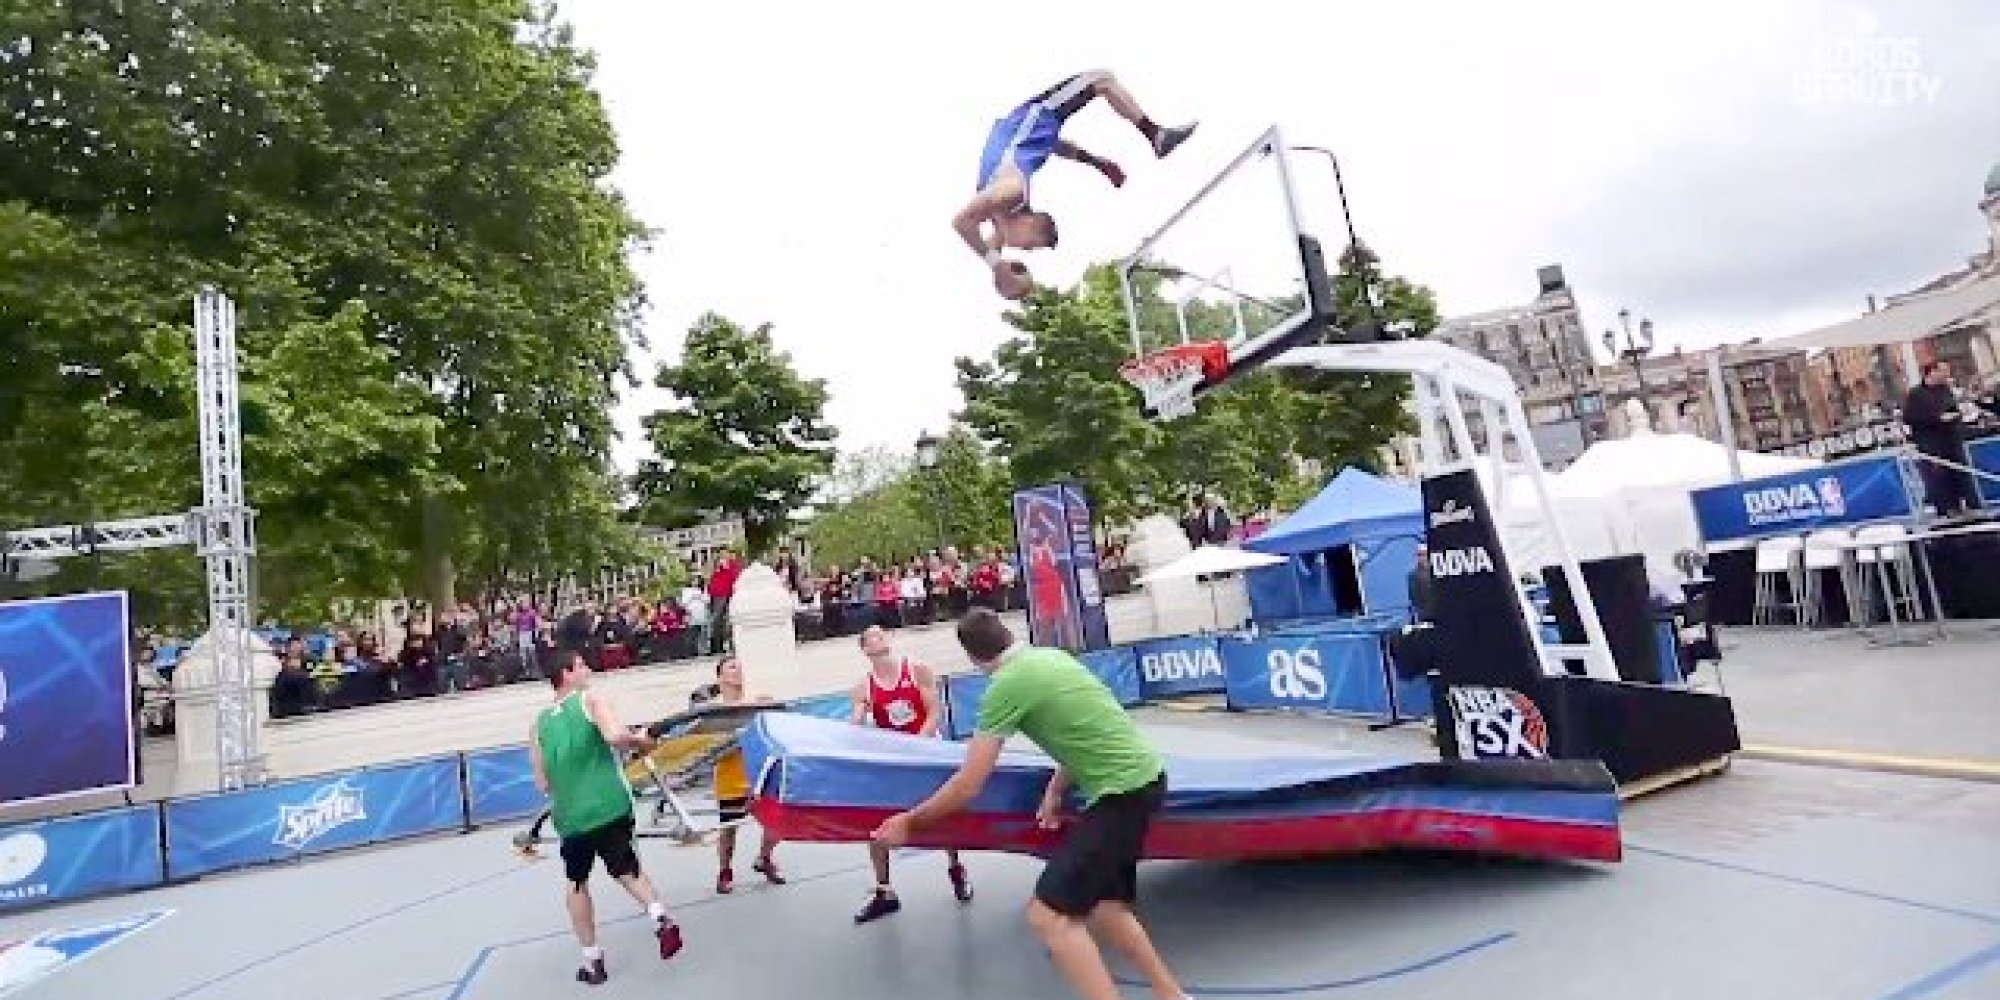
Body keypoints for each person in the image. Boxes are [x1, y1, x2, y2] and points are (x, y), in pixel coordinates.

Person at [872, 610, 1189, 1000]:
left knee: (1048, 916)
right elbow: (1082, 732)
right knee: (1107, 908)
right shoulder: (1051, 658)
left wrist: (910, 821)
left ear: (972, 658)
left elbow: (970, 784)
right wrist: (1055, 792)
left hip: (1122, 794)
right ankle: (1172, 996)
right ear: (1007, 635)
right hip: (1143, 779)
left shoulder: (1006, 685)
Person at [956, 70, 1198, 300]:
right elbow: (1050, 144)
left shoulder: (1011, 192)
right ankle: (1156, 136)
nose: (1025, 250)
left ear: (1031, 221)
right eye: (1030, 248)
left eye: (1030, 246)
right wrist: (1095, 162)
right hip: (1032, 127)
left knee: (1102, 79)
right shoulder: (1002, 221)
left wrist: (998, 268)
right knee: (1101, 80)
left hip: (1040, 113)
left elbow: (962, 223)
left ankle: (1156, 136)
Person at [529, 650, 684, 986]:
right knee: (626, 868)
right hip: (608, 804)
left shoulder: (538, 724)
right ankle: (660, 916)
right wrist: (640, 740)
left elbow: (541, 782)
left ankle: (593, 961)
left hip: (571, 816)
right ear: (567, 673)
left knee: (576, 883)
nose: (588, 670)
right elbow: (615, 736)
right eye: (582, 665)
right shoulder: (590, 699)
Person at [849, 626, 975, 922]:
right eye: (870, 637)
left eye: (882, 634)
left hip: (926, 751)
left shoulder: (917, 670)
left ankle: (956, 868)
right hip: (893, 759)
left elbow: (933, 711)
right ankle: (884, 890)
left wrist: (918, 743)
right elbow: (855, 722)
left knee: (940, 812)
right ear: (865, 649)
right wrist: (856, 719)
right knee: (875, 821)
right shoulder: (863, 687)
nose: (878, 638)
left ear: (889, 641)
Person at [706, 655, 787, 894]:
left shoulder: (756, 703)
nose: (738, 672)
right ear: (720, 676)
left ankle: (764, 858)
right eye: (732, 668)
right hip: (729, 776)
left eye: (740, 668)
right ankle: (725, 870)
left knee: (777, 818)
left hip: (757, 774)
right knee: (729, 828)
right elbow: (709, 748)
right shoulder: (714, 710)